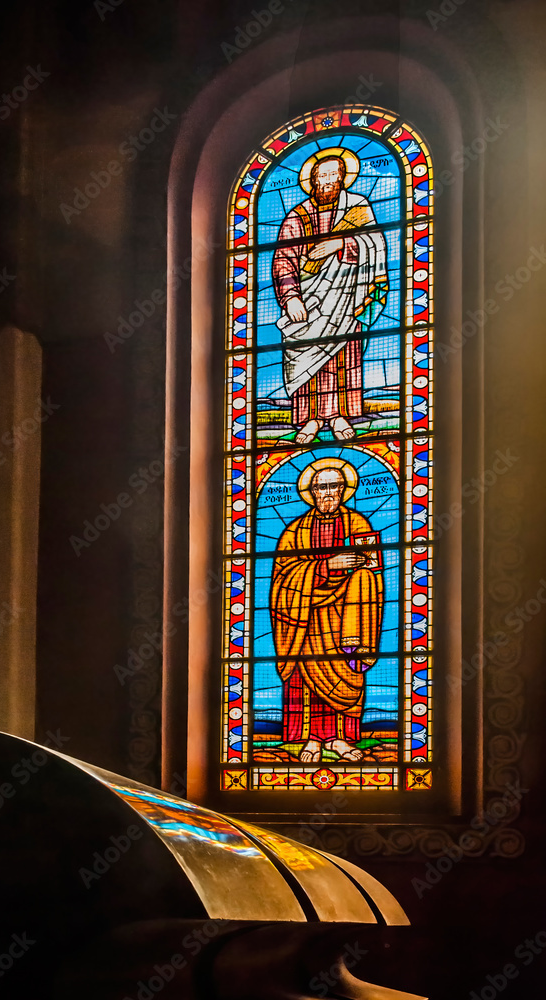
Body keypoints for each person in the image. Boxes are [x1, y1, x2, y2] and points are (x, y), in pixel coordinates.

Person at [269, 459, 383, 762]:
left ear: (344, 490)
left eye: (334, 486)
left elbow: (373, 570)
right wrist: (325, 566)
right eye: (321, 487)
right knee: (306, 676)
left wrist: (357, 569)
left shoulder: (358, 524)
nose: (328, 493)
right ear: (311, 491)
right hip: (305, 615)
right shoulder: (294, 532)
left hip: (349, 615)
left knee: (345, 669)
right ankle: (313, 740)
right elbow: (281, 578)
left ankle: (340, 740)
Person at [272, 150, 388, 444]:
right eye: (322, 176)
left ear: (342, 178)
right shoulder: (297, 216)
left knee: (342, 356)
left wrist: (341, 242)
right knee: (304, 349)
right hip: (308, 300)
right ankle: (309, 419)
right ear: (312, 179)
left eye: (333, 175)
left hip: (347, 294)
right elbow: (283, 258)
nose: (327, 181)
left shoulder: (358, 208)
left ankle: (338, 416)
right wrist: (291, 297)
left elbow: (376, 243)